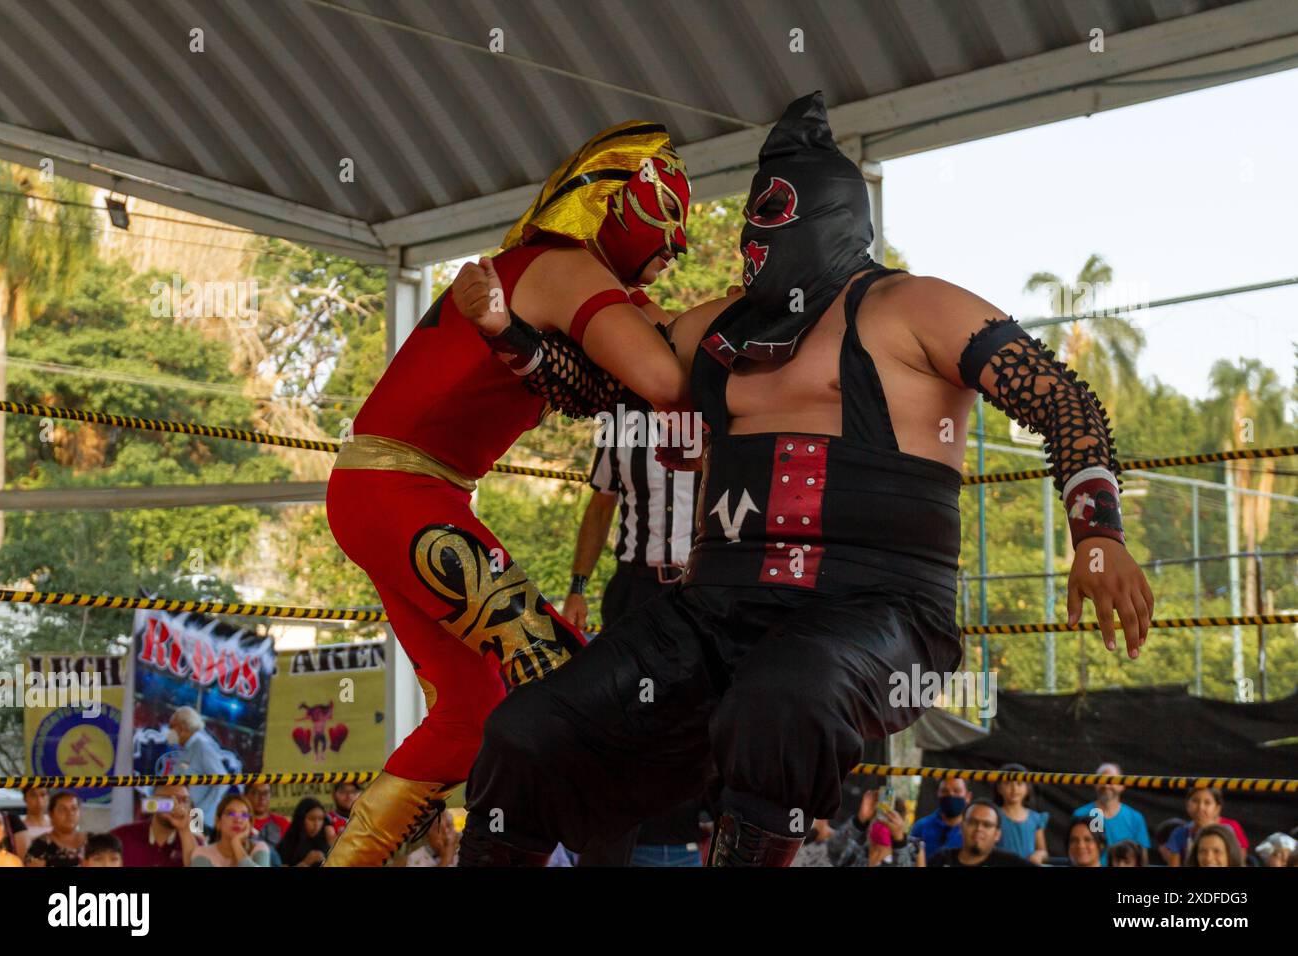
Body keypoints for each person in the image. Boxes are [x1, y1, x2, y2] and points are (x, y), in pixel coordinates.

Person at [456, 90, 1152, 867]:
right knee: (527, 732)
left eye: (773, 220)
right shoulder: (717, 326)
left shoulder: (911, 306)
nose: (755, 242)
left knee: (783, 700)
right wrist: (507, 333)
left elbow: (1061, 397)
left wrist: (1097, 533)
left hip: (877, 613)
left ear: (827, 221)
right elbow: (601, 391)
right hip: (715, 608)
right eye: (754, 221)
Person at [324, 120, 692, 867]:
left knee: (468, 716)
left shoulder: (549, 272)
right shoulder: (568, 267)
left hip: (395, 493)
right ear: (624, 209)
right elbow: (664, 382)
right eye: (671, 224)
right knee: (574, 681)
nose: (677, 250)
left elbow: (590, 387)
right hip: (403, 490)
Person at [565, 378, 705, 867]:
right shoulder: (620, 422)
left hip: (696, 587)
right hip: (634, 587)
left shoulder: (710, 413)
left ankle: (694, 838)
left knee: (695, 710)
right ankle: (610, 850)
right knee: (623, 712)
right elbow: (601, 504)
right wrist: (578, 588)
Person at [1071, 761, 1150, 864]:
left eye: (1112, 780)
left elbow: (1143, 858)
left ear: (1123, 785)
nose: (1106, 785)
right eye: (1101, 780)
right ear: (1095, 784)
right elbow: (1073, 854)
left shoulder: (1135, 818)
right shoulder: (1081, 815)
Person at [111, 784, 204, 867]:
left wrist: (184, 829)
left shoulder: (195, 843)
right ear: (153, 802)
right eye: (170, 799)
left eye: (184, 800)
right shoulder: (121, 836)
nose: (178, 806)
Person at [167, 706, 230, 824]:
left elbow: (223, 781)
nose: (169, 731)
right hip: (181, 816)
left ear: (182, 728)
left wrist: (199, 812)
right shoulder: (185, 750)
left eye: (171, 727)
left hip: (198, 820)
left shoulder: (202, 746)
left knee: (196, 843)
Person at [929, 800, 1034, 867]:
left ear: (997, 835)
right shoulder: (941, 858)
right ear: (961, 827)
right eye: (972, 822)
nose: (979, 828)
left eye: (987, 825)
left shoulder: (1011, 863)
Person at [1165, 787, 1249, 866]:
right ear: (1187, 804)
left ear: (1217, 808)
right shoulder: (1179, 833)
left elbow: (1239, 862)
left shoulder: (1230, 829)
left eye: (1207, 802)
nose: (1200, 807)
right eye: (1195, 801)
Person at [189, 793, 271, 867]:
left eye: (244, 815)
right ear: (218, 822)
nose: (238, 820)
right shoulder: (202, 853)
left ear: (250, 823)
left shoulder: (259, 848)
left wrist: (236, 844)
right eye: (230, 814)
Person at [993, 763, 1049, 863]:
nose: (1014, 789)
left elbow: (1042, 850)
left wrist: (1039, 855)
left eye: (1019, 783)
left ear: (1027, 788)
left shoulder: (1035, 818)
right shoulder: (993, 815)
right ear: (999, 788)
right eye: (1008, 783)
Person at [909, 778, 969, 859]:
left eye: (956, 791)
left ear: (968, 796)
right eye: (945, 791)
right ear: (938, 794)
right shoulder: (921, 827)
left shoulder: (973, 831)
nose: (950, 795)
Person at [24, 792, 87, 867]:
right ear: (51, 814)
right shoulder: (39, 847)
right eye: (63, 809)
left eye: (74, 808)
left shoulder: (92, 842)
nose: (70, 813)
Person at [278, 798, 336, 867]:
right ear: (301, 819)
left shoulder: (326, 840)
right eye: (312, 819)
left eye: (320, 819)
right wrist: (306, 863)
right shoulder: (287, 844)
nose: (317, 824)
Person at [245, 782, 290, 848]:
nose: (262, 798)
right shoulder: (239, 822)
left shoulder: (282, 823)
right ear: (246, 796)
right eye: (256, 793)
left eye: (266, 793)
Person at [18, 785, 51, 857]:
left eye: (43, 795)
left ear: (48, 797)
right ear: (25, 798)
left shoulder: (57, 825)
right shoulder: (18, 828)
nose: (39, 800)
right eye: (33, 795)